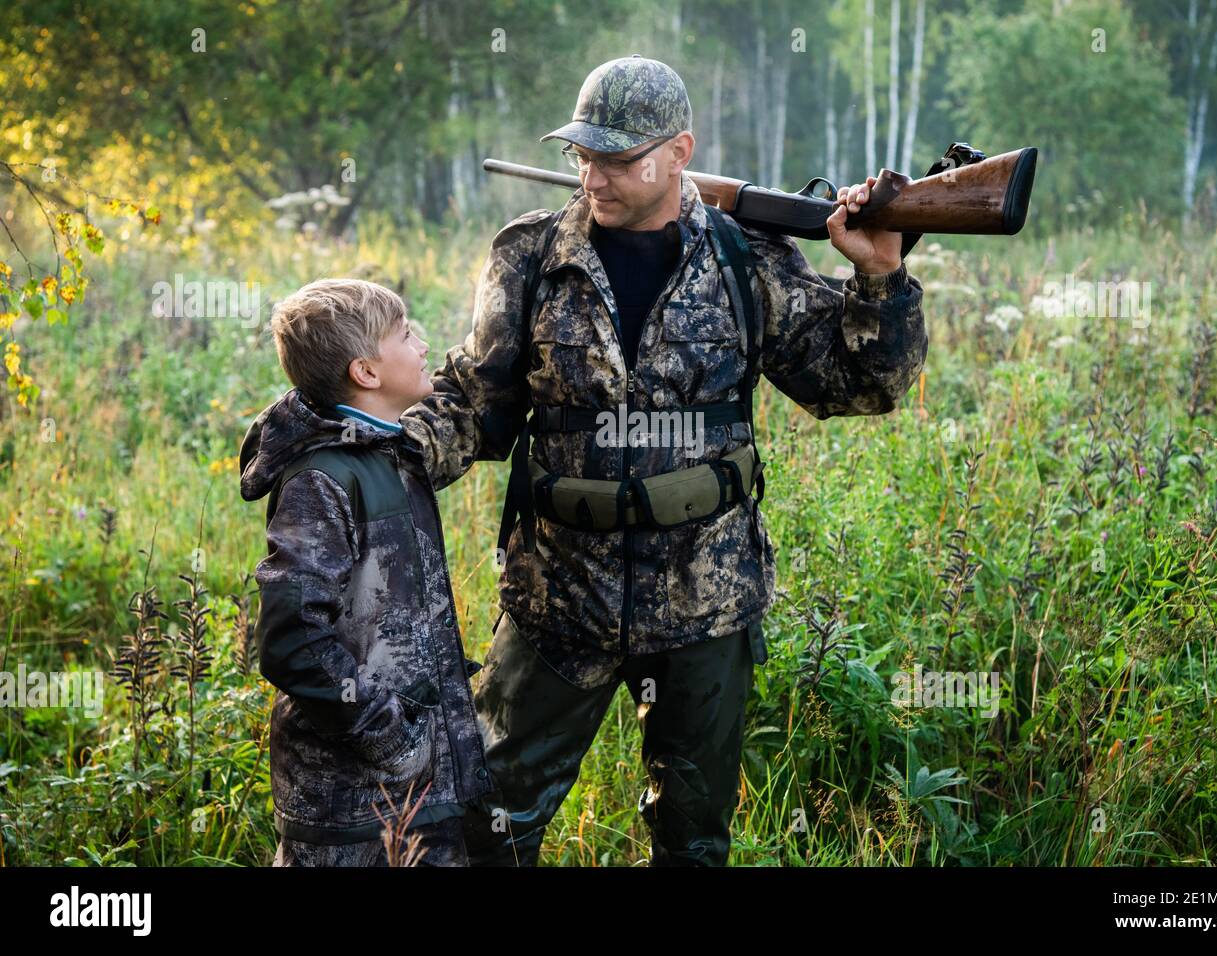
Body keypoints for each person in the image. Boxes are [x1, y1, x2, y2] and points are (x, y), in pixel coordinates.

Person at [400, 55, 927, 865]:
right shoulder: (532, 255)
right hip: (558, 596)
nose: (594, 178)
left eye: (617, 159)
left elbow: (858, 385)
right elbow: (474, 402)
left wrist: (880, 274)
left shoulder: (747, 259)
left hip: (704, 600)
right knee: (487, 822)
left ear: (679, 152)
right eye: (583, 156)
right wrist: (380, 456)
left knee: (693, 837)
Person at [238, 278, 491, 866]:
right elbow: (292, 639)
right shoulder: (321, 480)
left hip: (416, 796)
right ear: (367, 373)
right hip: (349, 808)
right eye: (405, 334)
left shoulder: (387, 451)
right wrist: (393, 738)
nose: (423, 344)